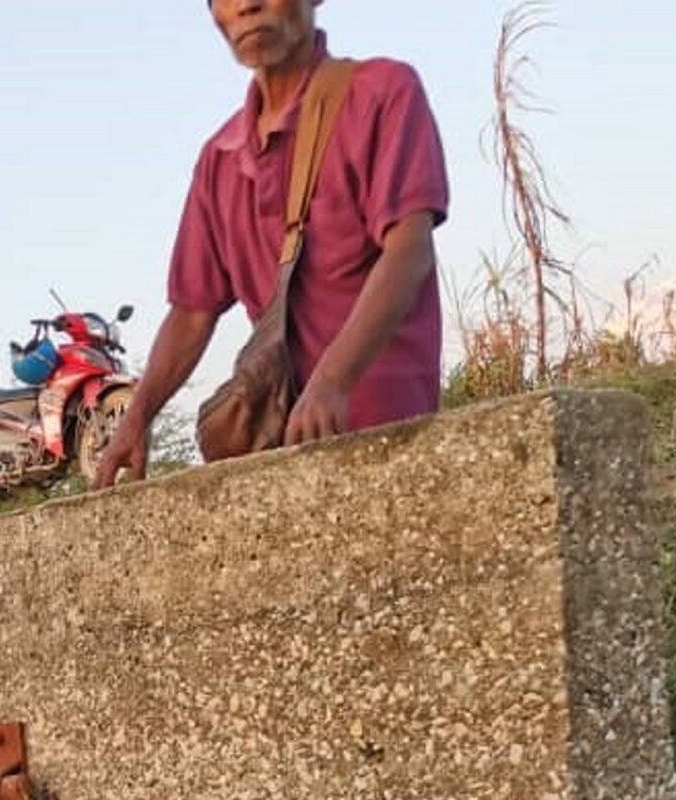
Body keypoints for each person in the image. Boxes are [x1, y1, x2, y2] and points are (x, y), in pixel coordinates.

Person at [92, 0, 448, 486]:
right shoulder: (219, 159)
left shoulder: (380, 92)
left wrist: (332, 382)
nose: (246, 5)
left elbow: (409, 248)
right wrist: (136, 419)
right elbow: (192, 313)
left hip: (388, 436)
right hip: (284, 448)